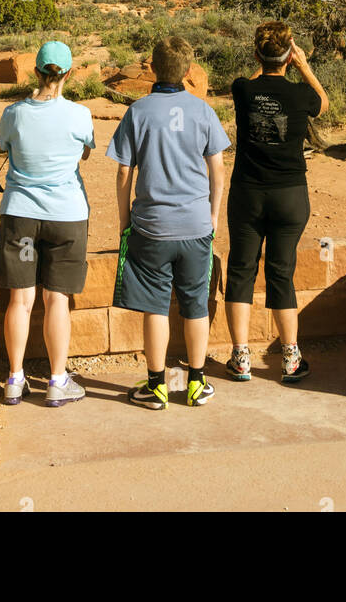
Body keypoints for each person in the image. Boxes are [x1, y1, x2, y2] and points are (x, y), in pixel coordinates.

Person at [107, 35, 230, 410]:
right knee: (195, 304)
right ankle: (196, 383)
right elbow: (218, 172)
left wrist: (125, 219)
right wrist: (212, 216)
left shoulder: (139, 112)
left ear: (152, 69)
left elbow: (124, 172)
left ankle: (157, 385)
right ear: (189, 71)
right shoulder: (203, 111)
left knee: (156, 307)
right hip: (195, 225)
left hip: (152, 226)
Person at [225, 20, 329, 385]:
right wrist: (301, 65)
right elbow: (324, 103)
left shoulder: (242, 89)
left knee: (241, 270)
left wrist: (269, 62)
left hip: (248, 194)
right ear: (289, 55)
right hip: (289, 196)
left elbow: (254, 81)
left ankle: (240, 357)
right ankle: (290, 357)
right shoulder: (301, 95)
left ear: (256, 54)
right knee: (281, 272)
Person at [0, 40, 94, 408]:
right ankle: (56, 380)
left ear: (35, 71)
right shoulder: (80, 115)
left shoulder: (14, 113)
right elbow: (84, 150)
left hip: (21, 215)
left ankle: (15, 379)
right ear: (68, 74)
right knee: (57, 299)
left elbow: (6, 145)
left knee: (20, 300)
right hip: (66, 217)